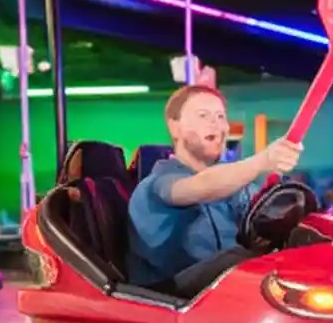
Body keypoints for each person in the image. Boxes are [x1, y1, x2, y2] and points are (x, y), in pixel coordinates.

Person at [126, 84, 302, 291]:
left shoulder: (233, 185)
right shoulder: (157, 184)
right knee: (236, 260)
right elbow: (198, 187)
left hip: (223, 294)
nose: (216, 124)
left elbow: (258, 208)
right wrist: (263, 160)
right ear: (175, 128)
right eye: (203, 115)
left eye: (220, 116)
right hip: (171, 298)